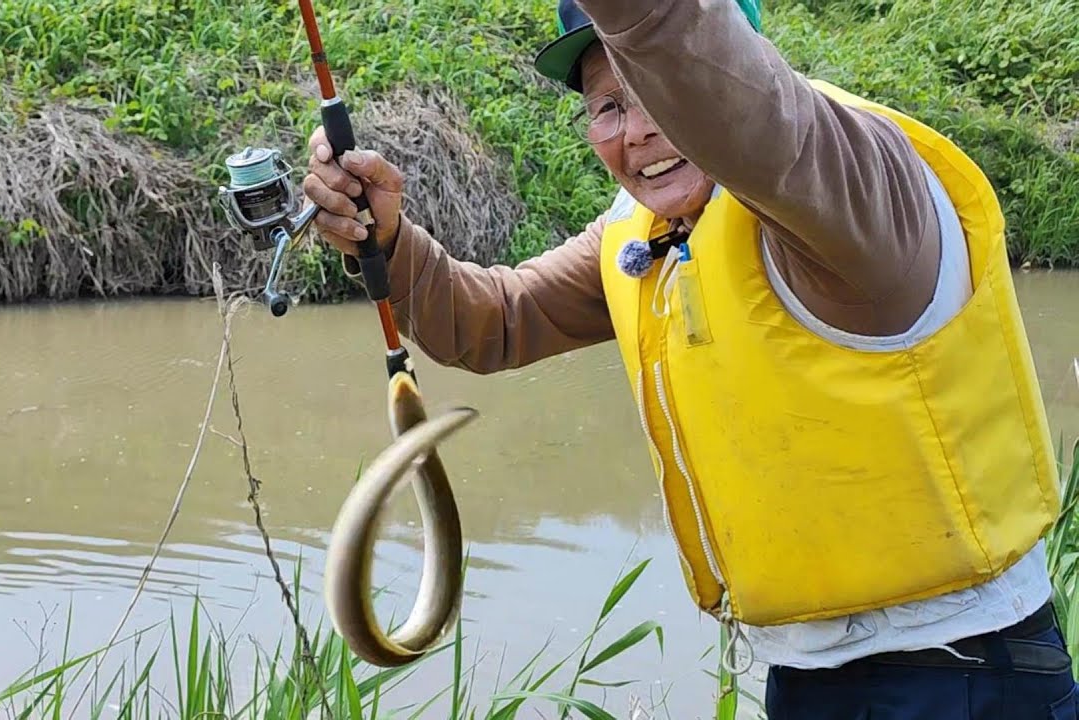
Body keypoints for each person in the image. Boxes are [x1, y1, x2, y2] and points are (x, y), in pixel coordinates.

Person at [302, 0, 1071, 716]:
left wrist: (669, 48)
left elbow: (708, 73)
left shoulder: (852, 185)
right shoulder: (646, 234)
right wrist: (391, 243)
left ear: (730, 79)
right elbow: (495, 319)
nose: (637, 128)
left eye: (657, 88)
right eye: (607, 105)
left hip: (962, 670)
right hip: (806, 674)